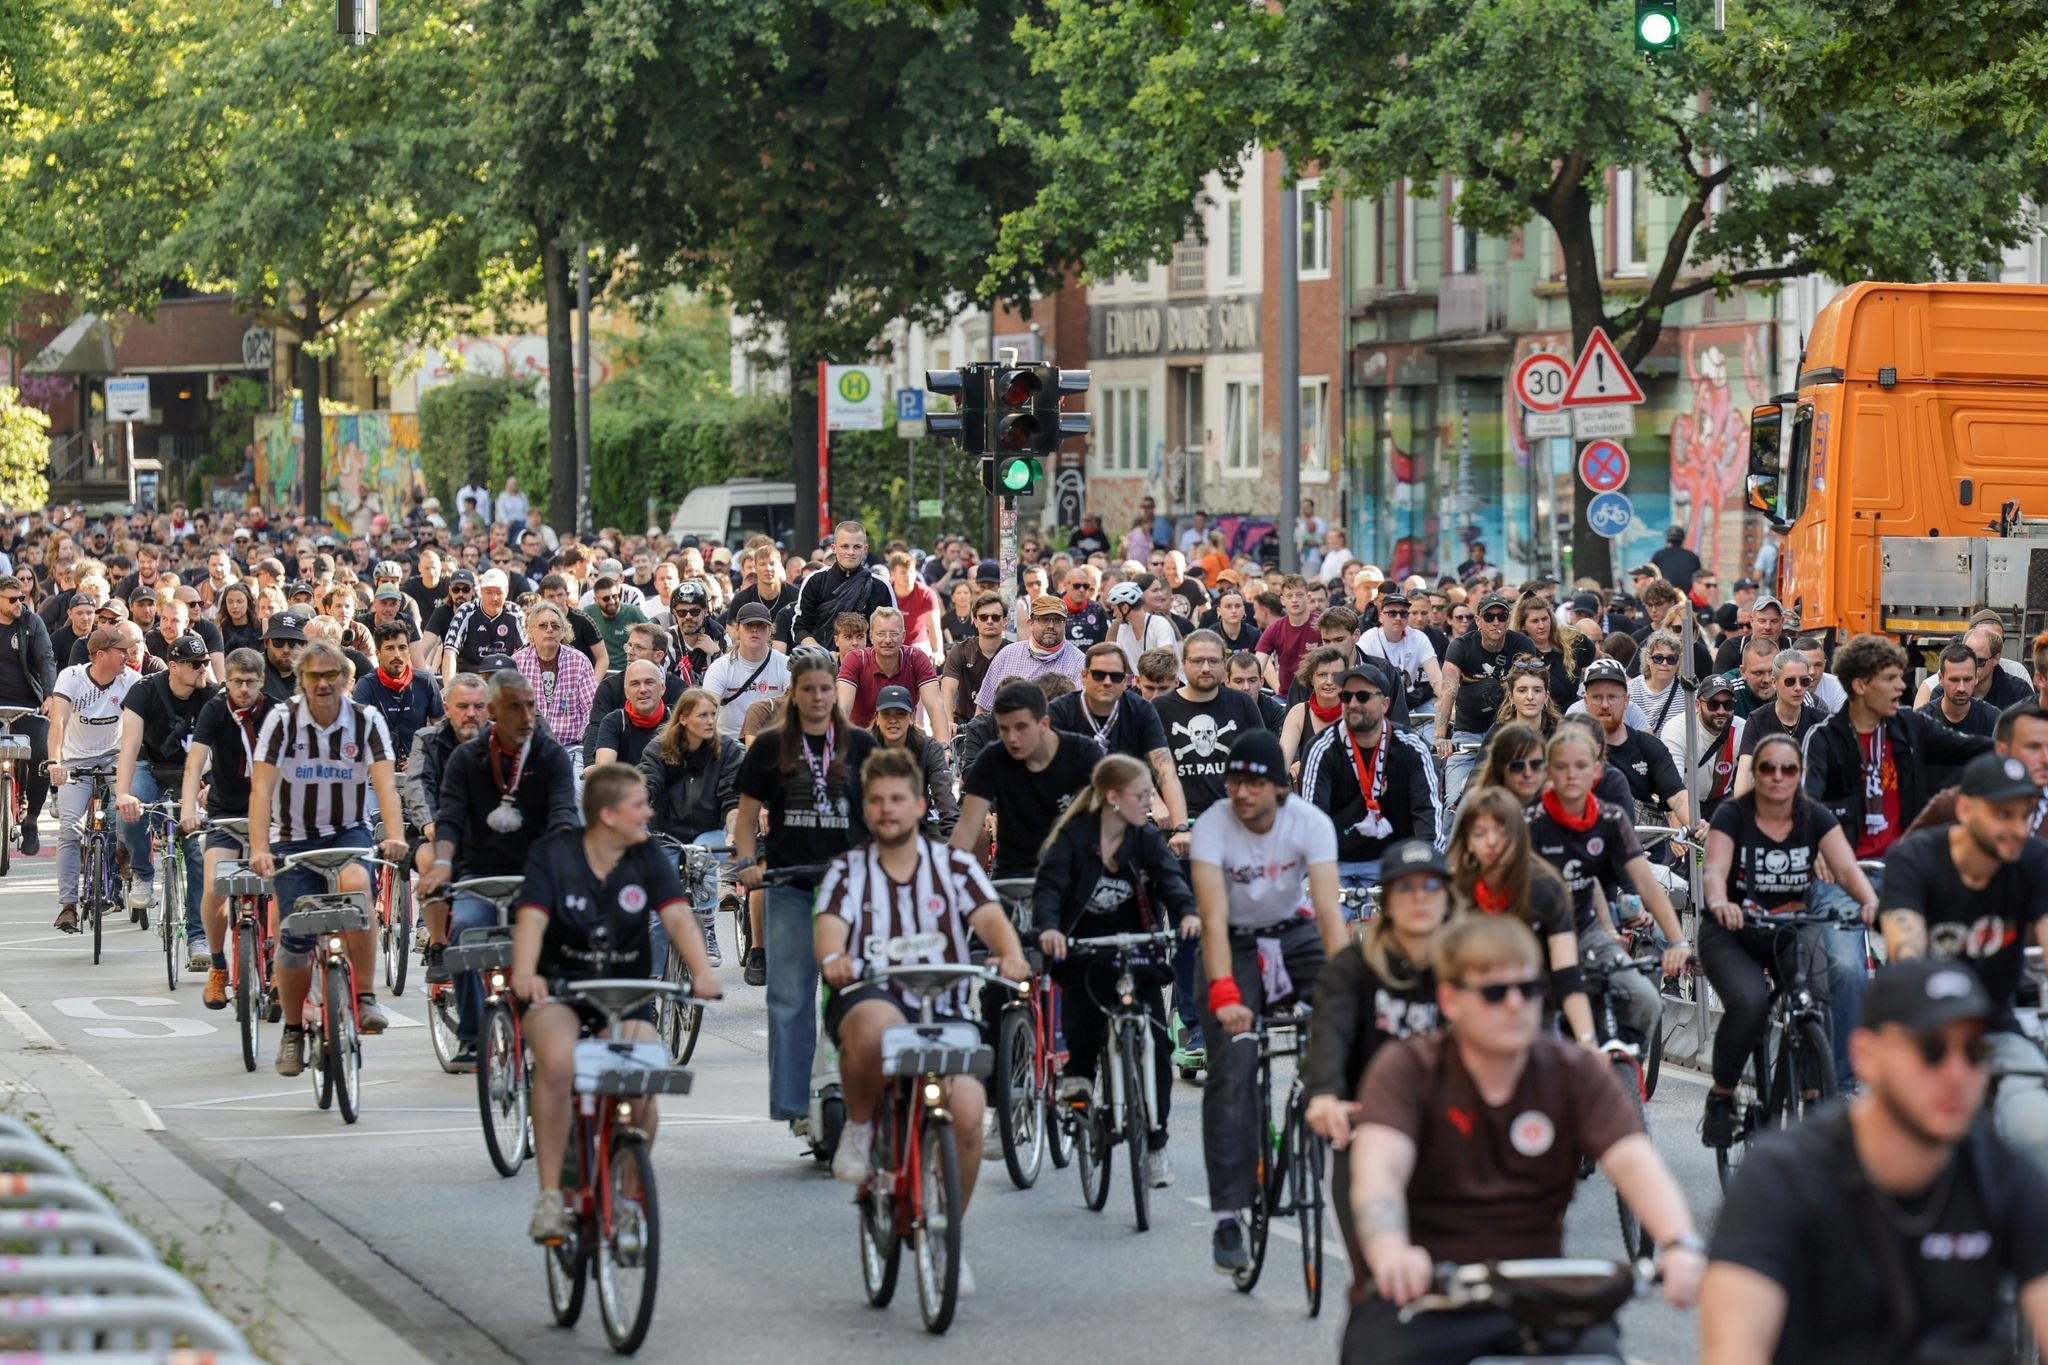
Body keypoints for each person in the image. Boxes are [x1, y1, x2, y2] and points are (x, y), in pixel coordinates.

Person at [1348, 914, 1702, 1364]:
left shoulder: (1574, 1071)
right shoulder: (1407, 1070)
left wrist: (1678, 1242)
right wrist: (1390, 1249)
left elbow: (1635, 1162)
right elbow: (1378, 1174)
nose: (1515, 1004)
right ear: (1450, 1000)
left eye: (1529, 989)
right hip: (1424, 1294)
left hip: (1539, 1293)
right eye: (1494, 993)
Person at [1701, 958, 2048, 1364]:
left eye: (1974, 1052)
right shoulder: (1780, 1180)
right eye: (1931, 1051)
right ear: (1865, 1055)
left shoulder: (2007, 1175)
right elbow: (1734, 1349)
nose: (1958, 1074)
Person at [814, 745, 1031, 1293]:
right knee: (876, 1024)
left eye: (898, 799)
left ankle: (946, 1233)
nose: (887, 809)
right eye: (877, 800)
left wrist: (1010, 954)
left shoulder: (953, 866)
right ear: (866, 809)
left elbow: (989, 918)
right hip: (871, 995)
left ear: (919, 806)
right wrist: (834, 957)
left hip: (947, 1010)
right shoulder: (848, 870)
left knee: (968, 1112)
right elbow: (831, 926)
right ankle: (860, 1128)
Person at [511, 762, 721, 1242]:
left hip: (625, 993)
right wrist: (524, 971)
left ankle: (625, 1192)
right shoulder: (553, 855)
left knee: (641, 1085)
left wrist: (703, 972)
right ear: (608, 815)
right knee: (558, 1065)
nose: (649, 813)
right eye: (639, 806)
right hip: (560, 990)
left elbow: (677, 916)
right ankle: (550, 1195)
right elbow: (533, 920)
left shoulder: (647, 856)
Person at [1193, 728, 1346, 1271]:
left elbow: (1328, 914)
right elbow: (1212, 919)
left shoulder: (1310, 823)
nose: (1242, 792)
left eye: (1254, 783)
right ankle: (1228, 1214)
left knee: (1354, 1024)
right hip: (1232, 942)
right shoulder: (1213, 826)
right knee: (1231, 1069)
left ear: (1280, 788)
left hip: (1292, 933)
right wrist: (1224, 994)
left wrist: (1346, 988)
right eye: (1234, 781)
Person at [1699, 732, 1879, 1140]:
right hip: (1733, 930)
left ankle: (1815, 1098)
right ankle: (1722, 1095)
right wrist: (1720, 902)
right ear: (1756, 774)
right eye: (1768, 768)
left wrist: (1870, 903)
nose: (1778, 777)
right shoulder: (1733, 815)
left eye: (1788, 769)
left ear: (1800, 774)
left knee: (1816, 997)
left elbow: (1846, 870)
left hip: (1792, 926)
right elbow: (1714, 870)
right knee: (1750, 1005)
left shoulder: (1814, 816)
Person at [1031, 752, 1195, 1189]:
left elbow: (1171, 880)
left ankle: (1156, 1143)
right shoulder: (1073, 837)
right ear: (1113, 798)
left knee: (1156, 1042)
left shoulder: (1145, 837)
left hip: (1136, 944)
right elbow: (1050, 889)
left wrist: (1186, 913)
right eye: (1143, 796)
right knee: (1083, 1008)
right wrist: (1049, 929)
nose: (1151, 804)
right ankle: (1080, 1078)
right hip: (1085, 944)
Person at [733, 650, 878, 1137]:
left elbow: (881, 810)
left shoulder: (860, 745)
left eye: (825, 689)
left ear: (835, 692)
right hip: (789, 883)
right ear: (793, 694)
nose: (817, 697)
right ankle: (795, 1104)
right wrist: (748, 863)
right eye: (808, 689)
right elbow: (747, 817)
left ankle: (859, 1089)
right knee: (790, 996)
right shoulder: (770, 746)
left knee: (855, 991)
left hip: (848, 887)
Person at [1300, 839, 1450, 1302]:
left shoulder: (1466, 963)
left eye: (1430, 886)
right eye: (1406, 888)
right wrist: (1324, 1094)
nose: (1420, 897)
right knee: (1378, 1282)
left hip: (1452, 1129)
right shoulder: (1355, 967)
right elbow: (1330, 1032)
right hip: (1369, 1127)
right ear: (1387, 899)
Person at [247, 642, 409, 1070]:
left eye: (330, 675)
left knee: (358, 890)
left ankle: (366, 996)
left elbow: (385, 786)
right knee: (294, 937)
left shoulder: (365, 720)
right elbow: (261, 790)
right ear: (301, 680)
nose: (322, 684)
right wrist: (260, 849)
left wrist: (395, 836)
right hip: (292, 838)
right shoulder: (282, 720)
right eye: (313, 677)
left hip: (346, 831)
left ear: (345, 679)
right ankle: (293, 1030)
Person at [1880, 751, 2048, 1156]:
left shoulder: (2033, 860)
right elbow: (1907, 957)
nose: (2017, 828)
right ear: (1966, 809)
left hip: (1994, 1030)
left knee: (2037, 1131)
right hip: (1920, 1031)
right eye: (2003, 815)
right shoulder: (1914, 859)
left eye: (2025, 815)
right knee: (1904, 1154)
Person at [418, 668, 579, 1064]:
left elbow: (564, 813)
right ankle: (473, 1034)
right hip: (478, 875)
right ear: (493, 711)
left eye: (530, 707)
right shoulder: (465, 759)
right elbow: (450, 819)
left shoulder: (550, 754)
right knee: (464, 931)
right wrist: (442, 862)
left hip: (535, 874)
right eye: (514, 708)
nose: (525, 717)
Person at [1527, 725, 1691, 1047]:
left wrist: (1677, 941)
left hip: (1587, 931)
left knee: (1646, 1000)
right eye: (1561, 766)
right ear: (1548, 772)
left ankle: (1624, 1061)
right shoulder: (1530, 823)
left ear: (1596, 771)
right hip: (1534, 936)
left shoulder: (1611, 818)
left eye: (1581, 766)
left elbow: (1644, 881)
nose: (1571, 775)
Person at [1446, 786, 1596, 1042]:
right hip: (1469, 1011)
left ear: (1518, 835)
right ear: (1468, 841)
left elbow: (1567, 971)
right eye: (1480, 833)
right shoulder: (1454, 891)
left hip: (1534, 1009)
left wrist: (1587, 1039)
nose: (1491, 841)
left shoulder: (1547, 888)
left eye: (1501, 831)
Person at [181, 648, 281, 1007]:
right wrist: (188, 808)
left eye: (250, 683)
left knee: (283, 884)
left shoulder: (276, 713)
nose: (243, 690)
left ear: (262, 681)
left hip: (272, 815)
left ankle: (280, 964)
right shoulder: (214, 710)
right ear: (227, 681)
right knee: (214, 885)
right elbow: (194, 764)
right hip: (226, 812)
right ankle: (219, 966)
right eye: (236, 682)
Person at [113, 633, 218, 968]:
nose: (203, 669)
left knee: (197, 852)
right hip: (151, 765)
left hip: (192, 770)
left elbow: (225, 749)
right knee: (131, 810)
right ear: (173, 666)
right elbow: (129, 746)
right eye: (195, 664)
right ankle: (142, 874)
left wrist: (213, 786)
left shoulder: (212, 695)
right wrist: (123, 794)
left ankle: (198, 938)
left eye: (206, 662)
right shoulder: (144, 691)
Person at [1300, 665, 1439, 900]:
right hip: (1333, 865)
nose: (1353, 703)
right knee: (1312, 920)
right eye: (1346, 696)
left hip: (1393, 864)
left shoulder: (1412, 747)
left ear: (1385, 705)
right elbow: (1312, 818)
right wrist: (1317, 872)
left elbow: (1428, 813)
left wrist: (1426, 867)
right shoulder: (1320, 748)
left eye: (1363, 696)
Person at [46, 623, 145, 933]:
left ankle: (123, 853)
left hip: (116, 758)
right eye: (121, 651)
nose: (128, 655)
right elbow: (58, 722)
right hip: (75, 761)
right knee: (70, 829)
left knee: (130, 812)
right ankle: (68, 906)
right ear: (101, 655)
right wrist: (55, 761)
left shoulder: (131, 680)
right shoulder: (72, 678)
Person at [953, 679, 1104, 879]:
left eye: (1021, 727)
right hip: (1013, 874)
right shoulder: (993, 757)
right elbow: (966, 829)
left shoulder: (1085, 754)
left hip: (1073, 870)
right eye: (1004, 729)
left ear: (1044, 723)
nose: (1011, 737)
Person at [639, 686, 742, 963]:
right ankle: (653, 979)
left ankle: (707, 929)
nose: (710, 721)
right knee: (659, 909)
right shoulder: (658, 749)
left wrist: (732, 834)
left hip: (711, 831)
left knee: (702, 859)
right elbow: (648, 784)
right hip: (666, 833)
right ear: (683, 718)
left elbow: (732, 798)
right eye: (702, 715)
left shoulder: (727, 750)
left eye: (713, 714)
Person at [1435, 590, 1537, 807]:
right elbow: (1448, 691)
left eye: (1502, 616)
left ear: (1508, 620)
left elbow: (1531, 687)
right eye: (1489, 617)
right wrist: (1441, 736)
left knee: (1517, 799)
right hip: (1467, 734)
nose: (1496, 622)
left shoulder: (1523, 646)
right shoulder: (1460, 646)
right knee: (1455, 802)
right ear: (1478, 620)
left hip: (1507, 732)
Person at [0, 574, 57, 857]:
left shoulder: (31, 623)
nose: (19, 604)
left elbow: (46, 658)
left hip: (27, 704)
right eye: (12, 599)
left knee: (42, 754)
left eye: (22, 598)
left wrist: (50, 695)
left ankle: (31, 821)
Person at [867, 684, 959, 837]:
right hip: (869, 828)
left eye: (900, 714)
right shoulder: (862, 746)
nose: (893, 720)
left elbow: (943, 793)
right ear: (877, 718)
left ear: (911, 717)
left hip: (917, 827)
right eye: (886, 714)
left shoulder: (929, 748)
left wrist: (955, 834)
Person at [1733, 648, 1824, 796]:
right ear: (1774, 682)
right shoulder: (1757, 720)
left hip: (1811, 802)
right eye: (1790, 681)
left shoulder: (1821, 722)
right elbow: (1744, 777)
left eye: (1804, 681)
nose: (1798, 688)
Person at [509, 602, 596, 753]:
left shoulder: (579, 661)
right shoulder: (517, 662)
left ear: (563, 632)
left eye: (555, 626)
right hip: (527, 748)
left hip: (570, 747)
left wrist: (584, 741)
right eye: (543, 625)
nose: (549, 629)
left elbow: (592, 709)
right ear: (530, 632)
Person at [972, 595, 1085, 712]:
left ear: (1064, 624)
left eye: (1057, 620)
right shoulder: (1006, 655)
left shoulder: (1079, 662)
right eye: (1044, 619)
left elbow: (1080, 713)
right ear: (1031, 624)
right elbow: (983, 709)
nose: (1051, 626)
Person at [1917, 641, 2002, 793]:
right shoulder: (1921, 721)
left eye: (1967, 679)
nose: (1961, 688)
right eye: (1954, 680)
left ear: (1976, 678)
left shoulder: (1993, 720)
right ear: (1941, 679)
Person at [793, 522, 891, 647]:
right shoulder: (815, 581)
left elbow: (889, 630)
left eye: (857, 547)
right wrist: (823, 654)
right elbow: (800, 628)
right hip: (823, 657)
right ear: (833, 548)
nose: (851, 552)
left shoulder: (880, 586)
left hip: (868, 657)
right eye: (845, 546)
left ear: (865, 550)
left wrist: (864, 656)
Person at [1663, 672, 1744, 823]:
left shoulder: (1741, 728)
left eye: (1728, 705)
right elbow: (1673, 787)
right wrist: (1685, 823)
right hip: (1683, 798)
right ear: (1697, 705)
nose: (1721, 711)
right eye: (1713, 704)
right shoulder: (1678, 729)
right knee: (1683, 837)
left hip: (1720, 801)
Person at [701, 602, 788, 740]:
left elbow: (796, 705)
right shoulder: (720, 667)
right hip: (729, 744)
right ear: (737, 628)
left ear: (770, 630)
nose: (754, 630)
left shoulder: (785, 665)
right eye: (748, 625)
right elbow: (709, 710)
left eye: (761, 625)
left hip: (771, 742)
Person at [1651, 524, 1702, 597]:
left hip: (1663, 598)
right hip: (1685, 599)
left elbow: (1651, 576)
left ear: (1667, 539)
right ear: (1683, 539)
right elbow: (1698, 579)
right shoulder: (1692, 557)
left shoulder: (1659, 555)